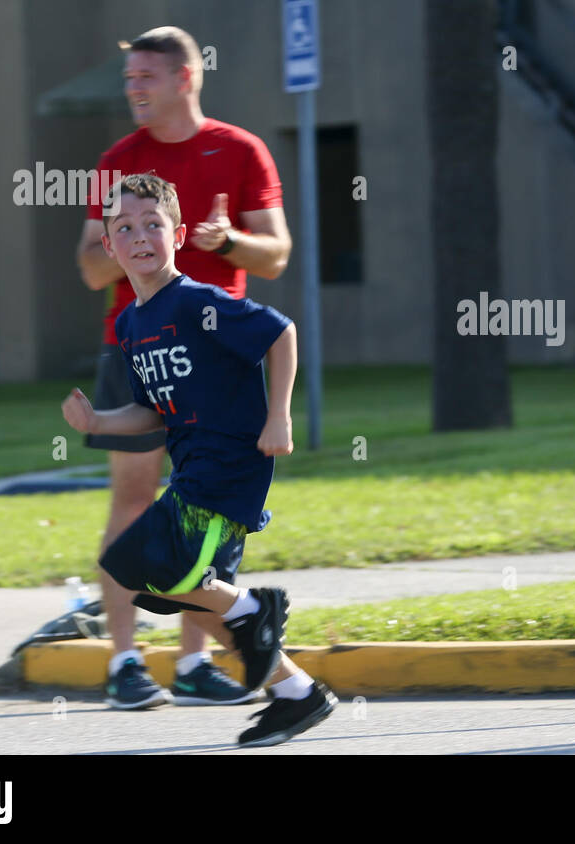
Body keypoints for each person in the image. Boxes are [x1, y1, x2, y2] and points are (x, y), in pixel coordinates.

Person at [62, 173, 336, 747]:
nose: (140, 237)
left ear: (179, 234)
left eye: (153, 225)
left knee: (160, 571)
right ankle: (295, 691)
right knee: (148, 576)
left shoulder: (196, 302)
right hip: (192, 468)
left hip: (230, 464)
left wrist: (279, 416)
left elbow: (279, 332)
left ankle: (256, 609)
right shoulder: (132, 323)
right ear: (108, 247)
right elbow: (150, 410)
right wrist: (100, 423)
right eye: (124, 229)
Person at [75, 26, 293, 710]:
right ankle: (124, 664)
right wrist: (140, 235)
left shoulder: (239, 150)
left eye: (146, 77)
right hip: (138, 349)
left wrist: (224, 240)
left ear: (186, 79)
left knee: (208, 512)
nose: (133, 88)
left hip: (219, 361)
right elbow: (87, 267)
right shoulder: (119, 161)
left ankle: (196, 664)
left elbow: (276, 256)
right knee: (135, 501)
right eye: (130, 78)